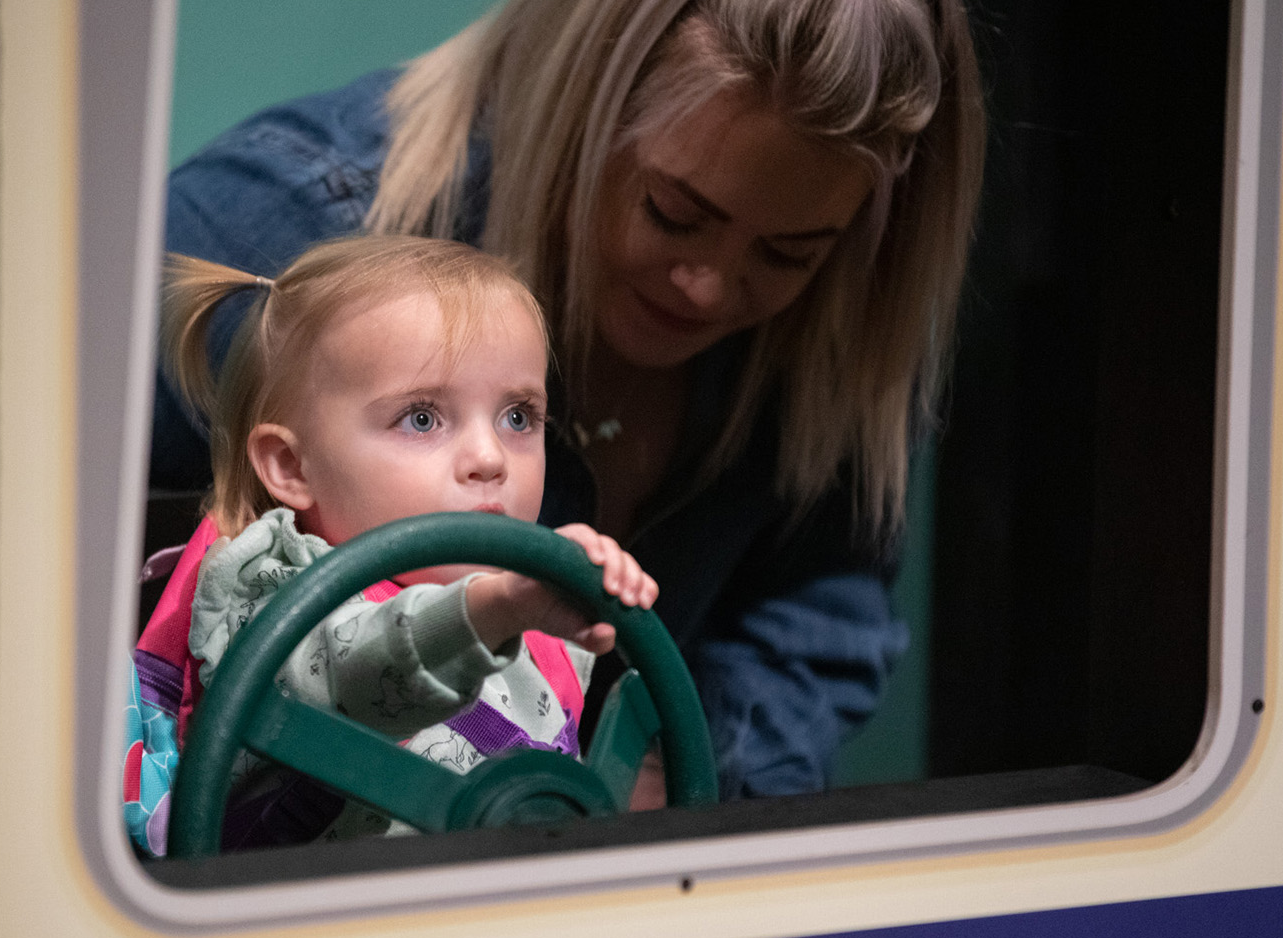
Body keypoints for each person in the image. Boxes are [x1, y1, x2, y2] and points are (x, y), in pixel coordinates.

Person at [153, 0, 985, 801]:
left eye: (788, 255)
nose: (708, 287)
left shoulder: (845, 318)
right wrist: (495, 609)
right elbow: (329, 672)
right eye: (673, 214)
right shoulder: (281, 225)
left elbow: (812, 618)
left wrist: (675, 784)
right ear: (582, 104)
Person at [125, 235, 658, 855]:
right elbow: (362, 670)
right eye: (422, 418)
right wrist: (499, 607)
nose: (490, 458)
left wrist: (581, 595)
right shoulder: (271, 596)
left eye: (518, 416)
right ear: (292, 467)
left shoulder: (522, 605)